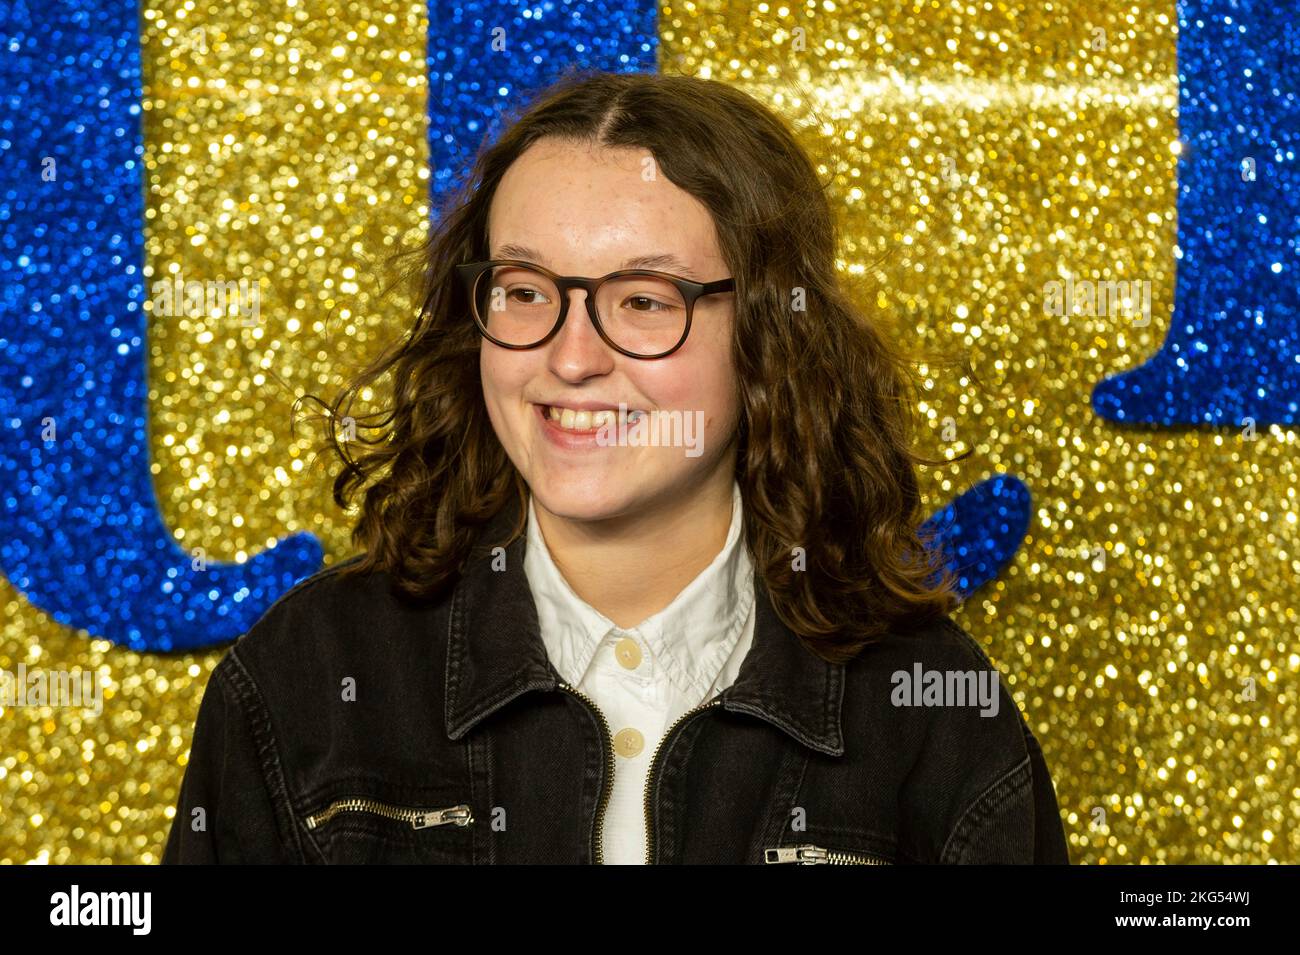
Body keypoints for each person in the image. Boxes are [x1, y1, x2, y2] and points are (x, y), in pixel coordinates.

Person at [163, 68, 1070, 864]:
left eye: (641, 300)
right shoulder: (310, 675)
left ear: (769, 334)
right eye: (525, 292)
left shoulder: (936, 719)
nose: (570, 357)